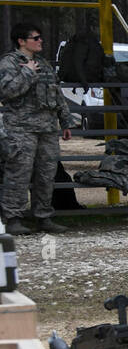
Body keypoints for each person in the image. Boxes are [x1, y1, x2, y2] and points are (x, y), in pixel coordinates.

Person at [0, 23, 72, 235]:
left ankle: (43, 217)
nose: (40, 41)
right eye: (36, 37)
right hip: (21, 129)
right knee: (18, 174)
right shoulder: (9, 63)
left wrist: (65, 121)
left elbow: (56, 93)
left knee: (46, 174)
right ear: (22, 41)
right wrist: (28, 74)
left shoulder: (43, 63)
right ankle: (12, 218)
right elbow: (6, 92)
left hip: (47, 128)